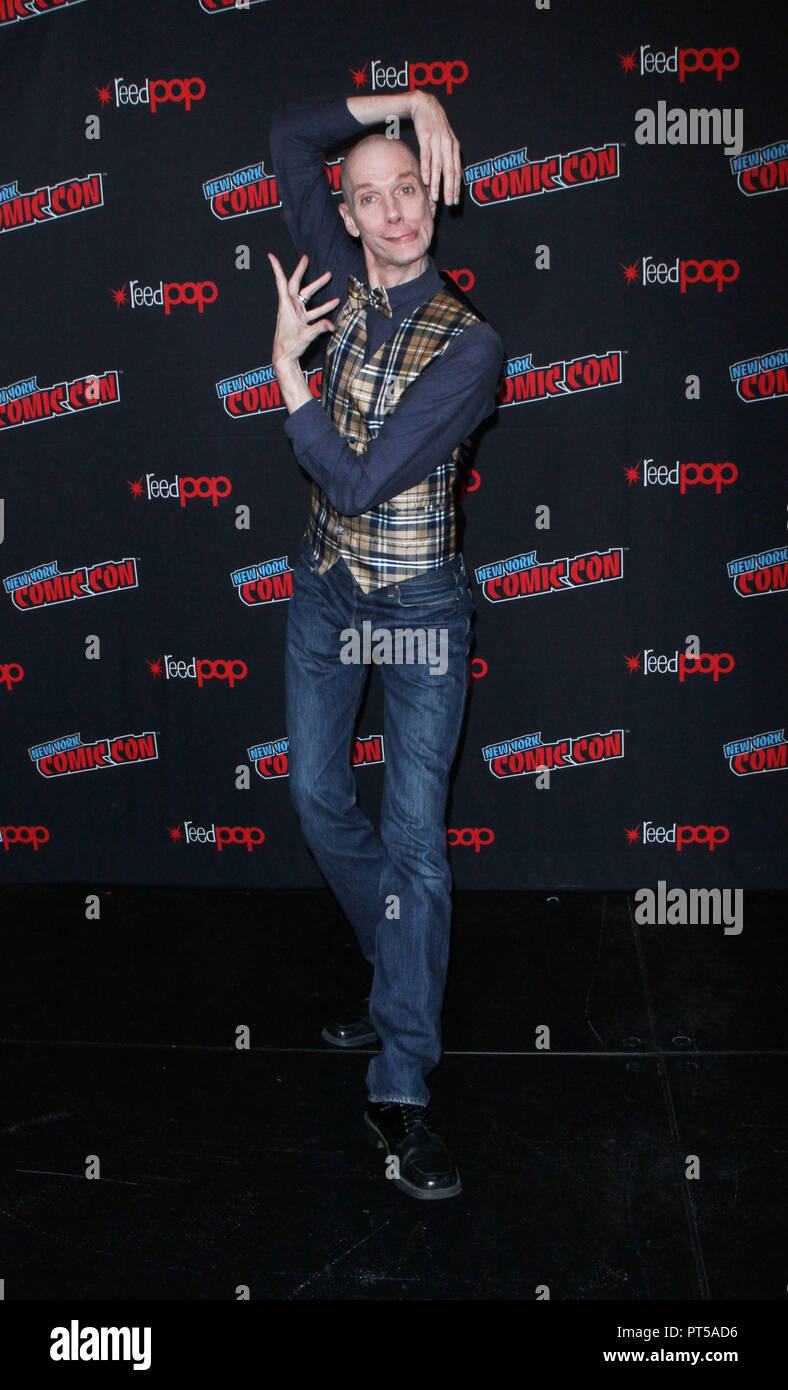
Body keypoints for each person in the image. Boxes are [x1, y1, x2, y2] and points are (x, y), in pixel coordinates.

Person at [267, 89, 503, 1200]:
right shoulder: (345, 271)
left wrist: (285, 379)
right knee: (317, 799)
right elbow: (284, 137)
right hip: (322, 593)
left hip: (416, 615)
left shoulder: (473, 349)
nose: (394, 212)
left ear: (430, 198)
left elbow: (358, 481)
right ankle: (390, 972)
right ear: (349, 217)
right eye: (369, 196)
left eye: (407, 187)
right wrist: (410, 100)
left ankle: (401, 1088)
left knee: (413, 845)